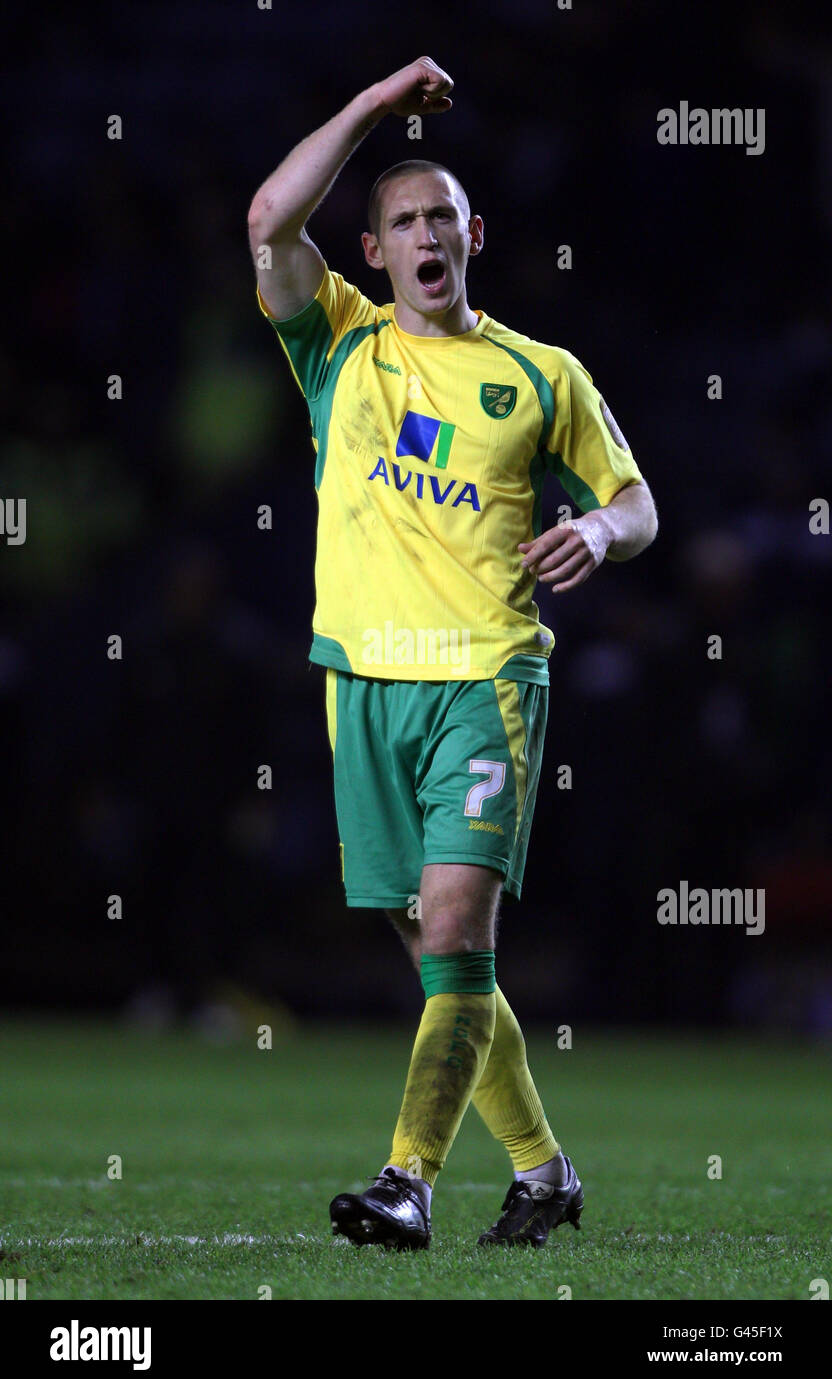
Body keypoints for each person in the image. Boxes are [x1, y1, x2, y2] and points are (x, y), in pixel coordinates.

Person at [247, 56, 658, 1250]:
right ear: (371, 252)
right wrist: (376, 107)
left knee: (458, 934)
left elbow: (637, 504)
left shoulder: (543, 375)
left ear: (473, 235)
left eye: (441, 215)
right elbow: (271, 218)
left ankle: (407, 1179)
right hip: (362, 682)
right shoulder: (339, 345)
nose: (425, 233)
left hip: (485, 679)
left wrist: (595, 527)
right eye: (401, 220)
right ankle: (542, 1171)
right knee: (438, 958)